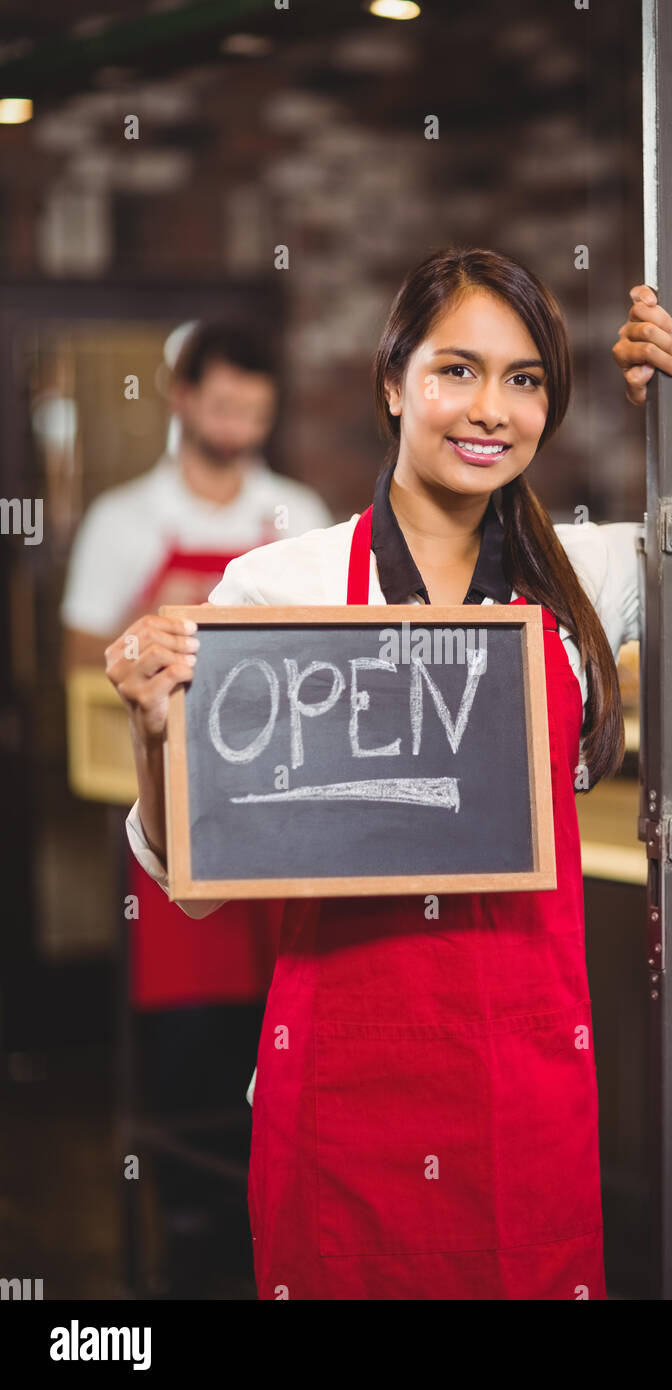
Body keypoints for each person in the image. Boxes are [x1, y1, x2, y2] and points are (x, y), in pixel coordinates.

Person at [107, 251, 672, 1300]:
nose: (489, 407)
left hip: (522, 1084)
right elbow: (201, 875)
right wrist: (149, 726)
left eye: (524, 378)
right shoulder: (281, 586)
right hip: (339, 1089)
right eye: (456, 370)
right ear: (393, 382)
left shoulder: (585, 572)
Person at [62, 320, 333, 1291]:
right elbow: (78, 665)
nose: (239, 424)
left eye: (256, 410)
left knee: (283, 1020)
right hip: (176, 803)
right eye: (222, 405)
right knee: (187, 1038)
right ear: (180, 398)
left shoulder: (295, 511)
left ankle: (277, 1214)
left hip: (282, 809)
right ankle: (190, 1229)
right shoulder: (124, 521)